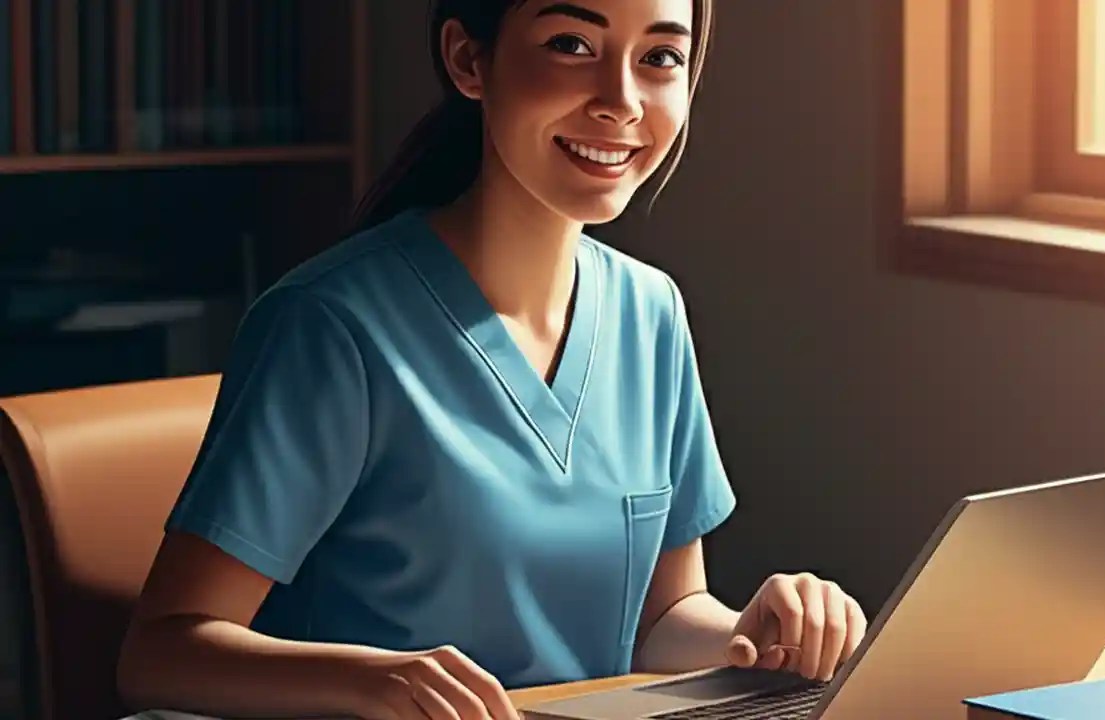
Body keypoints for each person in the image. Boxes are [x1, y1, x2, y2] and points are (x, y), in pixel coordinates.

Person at [116, 1, 868, 719]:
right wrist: (375, 683)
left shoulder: (652, 313)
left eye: (661, 57)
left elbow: (659, 620)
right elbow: (160, 655)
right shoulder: (330, 327)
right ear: (468, 59)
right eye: (573, 45)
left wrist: (758, 632)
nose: (623, 100)